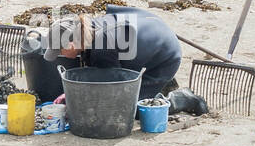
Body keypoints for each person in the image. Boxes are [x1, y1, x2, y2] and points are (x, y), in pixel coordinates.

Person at [43, 6, 182, 101]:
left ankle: (180, 98)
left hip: (167, 55)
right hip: (153, 28)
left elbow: (113, 87)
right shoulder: (91, 26)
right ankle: (163, 84)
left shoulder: (101, 48)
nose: (60, 55)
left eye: (59, 51)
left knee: (130, 107)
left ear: (71, 44)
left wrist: (73, 97)